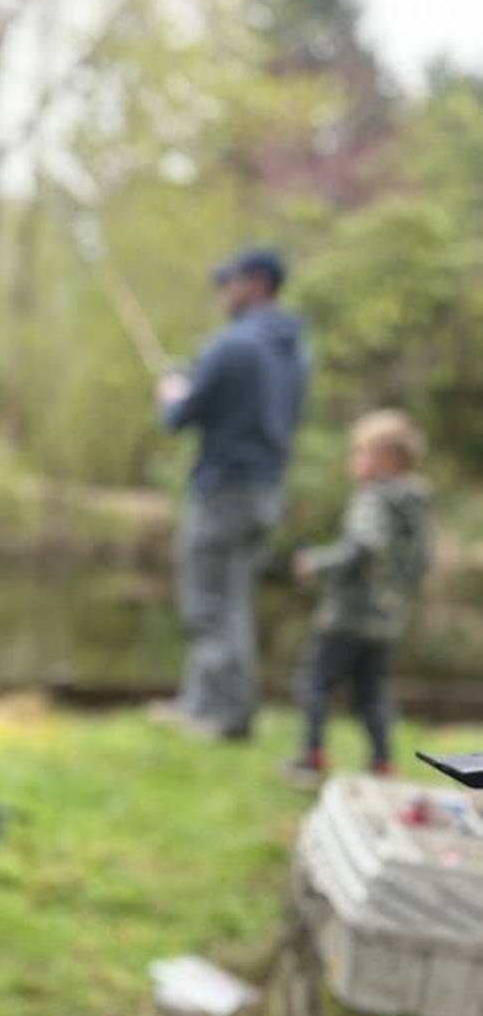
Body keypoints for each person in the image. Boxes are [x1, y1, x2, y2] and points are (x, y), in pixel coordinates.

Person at [154, 245, 311, 740]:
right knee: (233, 603)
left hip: (224, 489)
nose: (223, 292)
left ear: (257, 283)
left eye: (230, 282)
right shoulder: (295, 351)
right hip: (267, 492)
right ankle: (201, 706)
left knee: (209, 605)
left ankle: (225, 718)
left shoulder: (232, 345)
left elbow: (180, 417)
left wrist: (171, 391)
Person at [283, 409, 432, 785]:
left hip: (348, 616)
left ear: (386, 459)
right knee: (373, 693)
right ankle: (382, 763)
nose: (354, 461)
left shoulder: (373, 499)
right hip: (388, 619)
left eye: (359, 452)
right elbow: (422, 561)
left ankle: (312, 757)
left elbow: (363, 547)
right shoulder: (417, 503)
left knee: (315, 682)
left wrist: (315, 562)